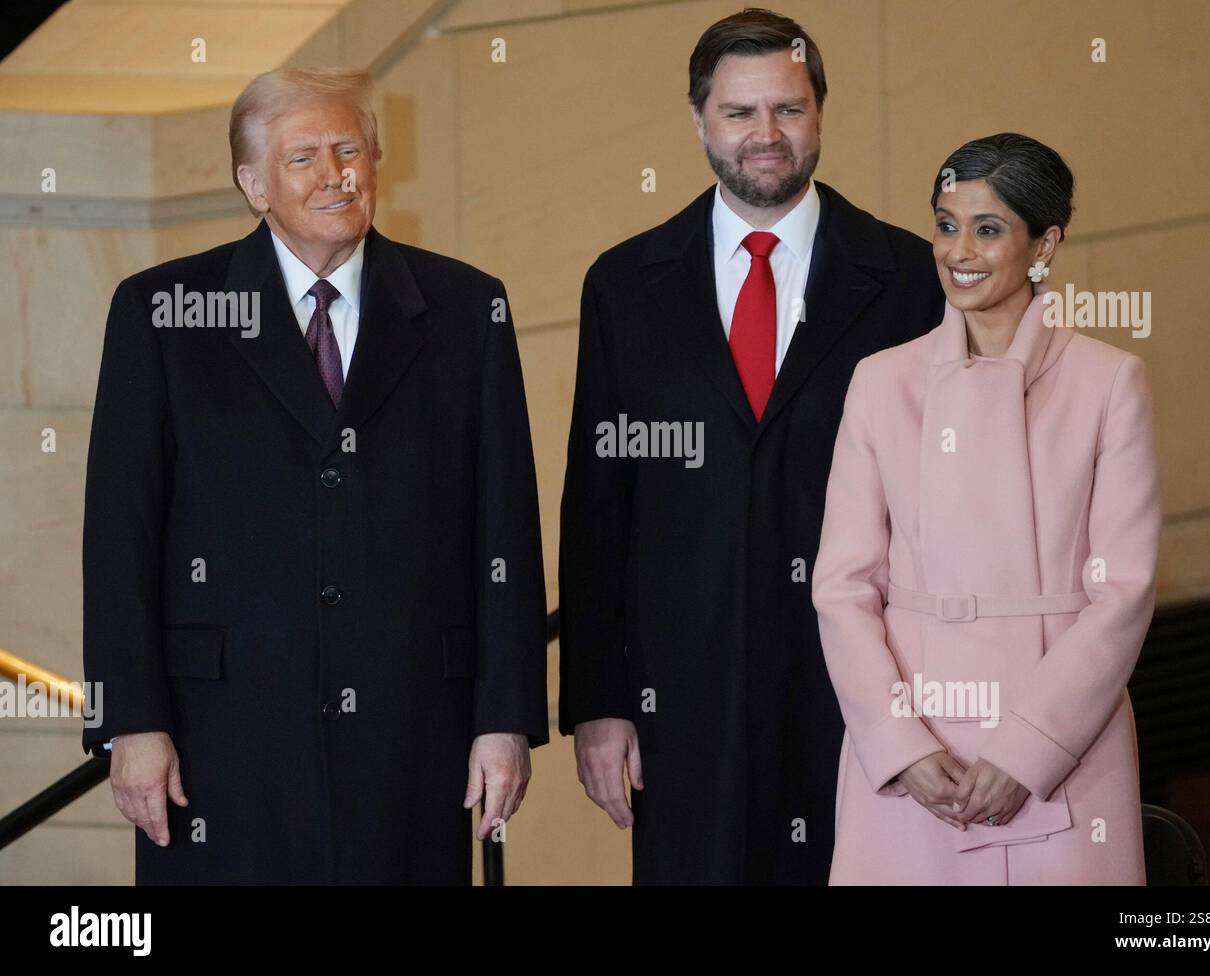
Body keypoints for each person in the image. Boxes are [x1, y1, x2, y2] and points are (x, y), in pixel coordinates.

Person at [81, 67, 548, 884]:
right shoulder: (163, 313)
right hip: (218, 737)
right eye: (305, 158)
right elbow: (120, 535)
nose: (336, 174)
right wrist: (130, 722)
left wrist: (505, 718)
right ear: (253, 184)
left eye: (350, 150)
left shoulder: (469, 310)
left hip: (413, 736)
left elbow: (504, 528)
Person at [559, 8, 945, 884]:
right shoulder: (624, 286)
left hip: (862, 695)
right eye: (740, 113)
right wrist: (599, 705)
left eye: (789, 109)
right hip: (682, 703)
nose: (766, 136)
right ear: (699, 121)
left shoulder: (909, 282)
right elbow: (595, 512)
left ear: (820, 114)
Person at [812, 132, 1161, 884]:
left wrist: (1027, 747)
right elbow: (842, 587)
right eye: (945, 224)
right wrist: (901, 745)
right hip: (913, 761)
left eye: (988, 228)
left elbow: (1122, 593)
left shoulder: (1108, 383)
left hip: (1063, 755)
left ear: (1046, 243)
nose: (957, 249)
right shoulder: (880, 382)